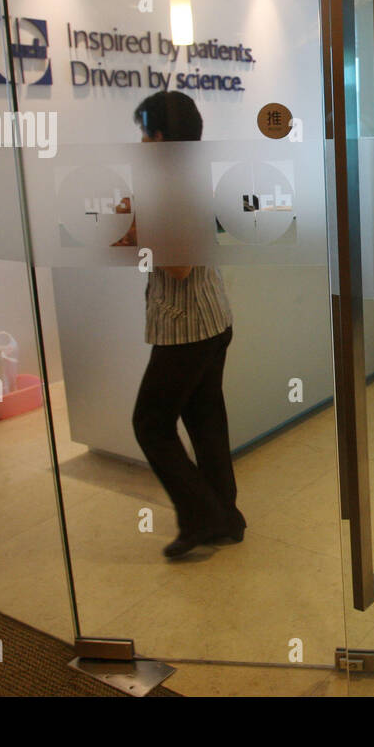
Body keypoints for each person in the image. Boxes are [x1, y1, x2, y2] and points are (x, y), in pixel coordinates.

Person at [130, 90, 246, 559]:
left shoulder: (171, 183)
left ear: (161, 136)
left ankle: (203, 515)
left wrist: (134, 231)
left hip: (187, 328)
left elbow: (176, 266)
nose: (139, 141)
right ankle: (227, 519)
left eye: (144, 131)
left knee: (150, 423)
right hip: (210, 318)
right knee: (205, 421)